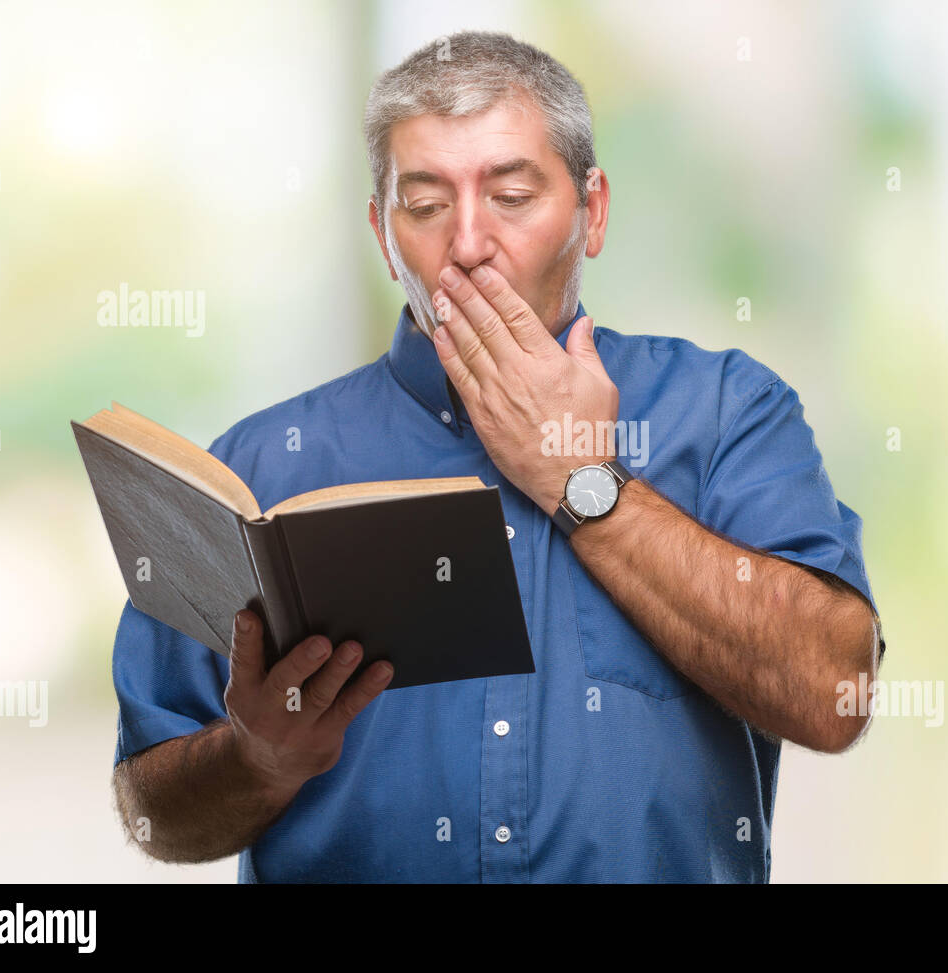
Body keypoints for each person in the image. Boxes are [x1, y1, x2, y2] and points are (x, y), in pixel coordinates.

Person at [110, 29, 883, 883]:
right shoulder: (262, 465)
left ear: (592, 212)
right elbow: (152, 812)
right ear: (382, 233)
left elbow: (833, 695)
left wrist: (586, 484)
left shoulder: (729, 411)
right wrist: (258, 758)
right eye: (427, 204)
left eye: (512, 195)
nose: (469, 244)